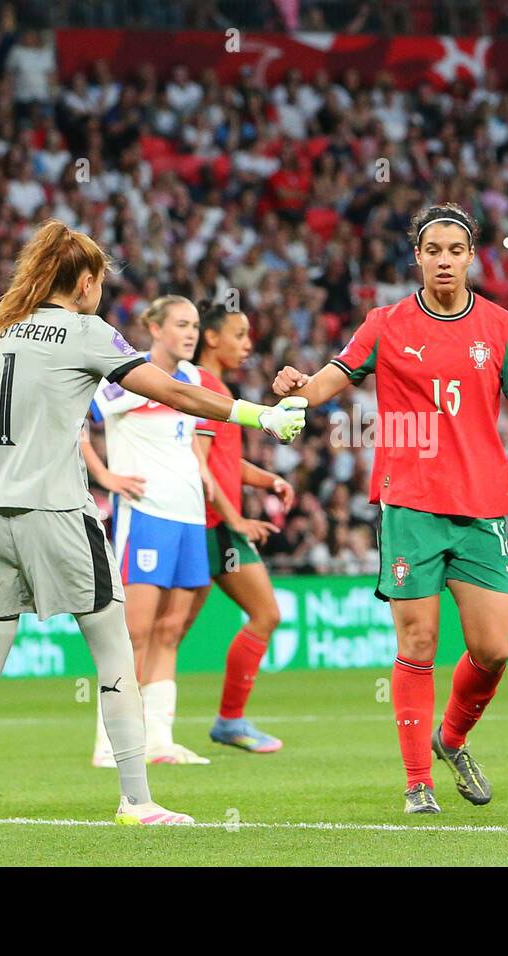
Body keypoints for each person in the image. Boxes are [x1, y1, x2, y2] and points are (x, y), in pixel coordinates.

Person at [0, 220, 306, 830]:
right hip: (59, 513)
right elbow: (176, 393)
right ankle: (137, 802)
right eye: (100, 282)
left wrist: (5, 471)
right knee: (117, 651)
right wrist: (261, 417)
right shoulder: (87, 332)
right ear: (85, 282)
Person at [273, 202, 508, 813]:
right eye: (434, 251)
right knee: (419, 640)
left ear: (471, 256)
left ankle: (450, 739)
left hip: (482, 504)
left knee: (494, 650)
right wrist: (301, 392)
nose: (445, 261)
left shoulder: (503, 326)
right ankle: (417, 783)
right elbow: (335, 374)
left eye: (456, 250)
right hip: (410, 502)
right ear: (419, 258)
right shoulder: (386, 323)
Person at [82, 295, 213, 767]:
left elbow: (192, 442)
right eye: (181, 324)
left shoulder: (194, 380)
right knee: (134, 633)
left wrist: (208, 477)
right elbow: (76, 422)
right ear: (155, 329)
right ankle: (110, 741)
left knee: (171, 630)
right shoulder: (127, 378)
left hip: (189, 515)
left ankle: (158, 738)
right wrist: (104, 476)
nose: (191, 333)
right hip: (146, 514)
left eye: (195, 324)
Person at [191, 302, 297, 754]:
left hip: (208, 522)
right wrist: (236, 520)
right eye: (239, 334)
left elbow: (223, 461)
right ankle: (228, 721)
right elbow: (196, 462)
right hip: (213, 523)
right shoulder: (202, 386)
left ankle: (140, 724)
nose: (248, 344)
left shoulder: (212, 387)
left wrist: (268, 479)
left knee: (169, 632)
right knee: (265, 614)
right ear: (211, 338)